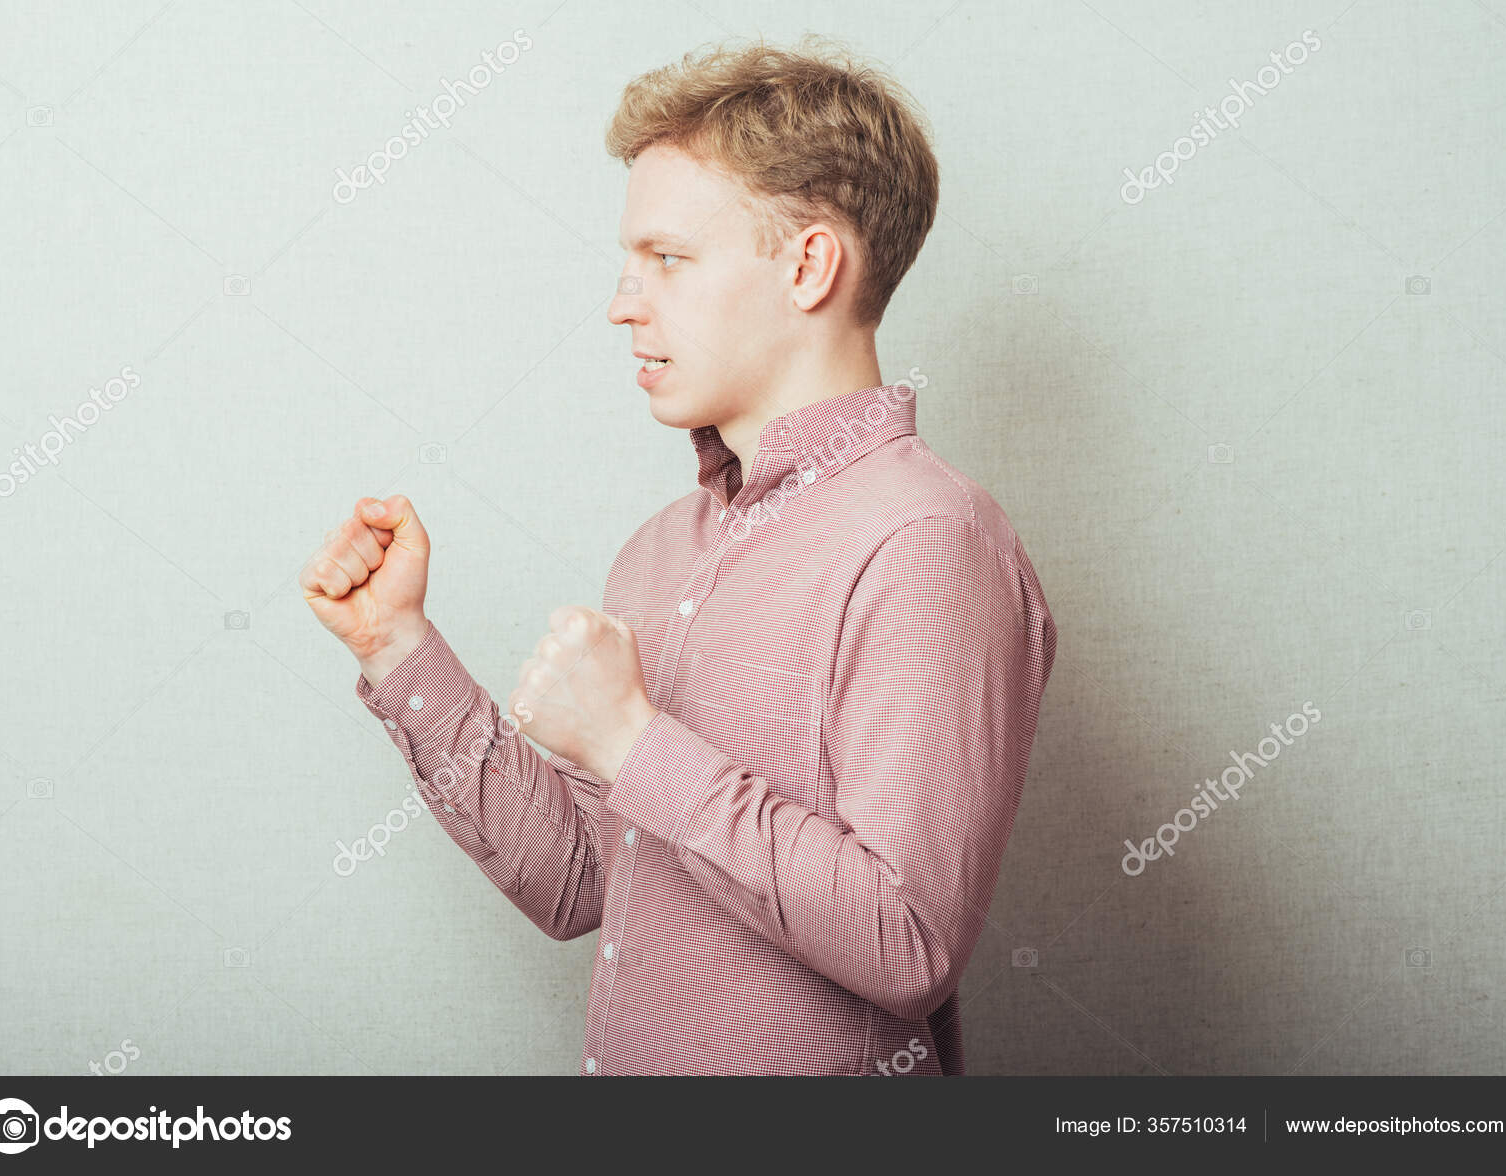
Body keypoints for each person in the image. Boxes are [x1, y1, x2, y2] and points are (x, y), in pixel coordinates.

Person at [300, 36, 1057, 1075]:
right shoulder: (658, 551)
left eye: (666, 258)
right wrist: (396, 646)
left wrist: (630, 740)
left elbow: (907, 938)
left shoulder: (930, 543)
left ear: (807, 266)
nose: (621, 302)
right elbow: (581, 884)